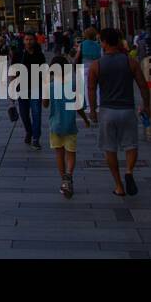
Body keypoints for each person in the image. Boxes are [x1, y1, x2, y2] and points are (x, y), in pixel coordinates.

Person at [87, 28, 151, 198]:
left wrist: (93, 111)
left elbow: (92, 90)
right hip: (127, 110)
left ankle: (118, 185)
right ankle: (129, 171)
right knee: (131, 145)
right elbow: (143, 85)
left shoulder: (96, 65)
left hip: (108, 111)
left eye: (101, 41)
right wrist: (147, 105)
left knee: (110, 149)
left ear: (105, 43)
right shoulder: (130, 62)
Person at [43, 54, 90, 199]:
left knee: (59, 153)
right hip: (70, 125)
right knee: (71, 153)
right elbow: (78, 106)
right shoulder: (73, 85)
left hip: (55, 126)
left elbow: (45, 105)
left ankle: (64, 181)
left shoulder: (49, 86)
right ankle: (69, 174)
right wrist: (85, 119)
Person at [14, 32, 47, 149]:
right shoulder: (18, 55)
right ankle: (29, 131)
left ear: (35, 41)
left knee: (36, 113)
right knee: (24, 114)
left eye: (31, 39)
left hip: (36, 88)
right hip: (21, 88)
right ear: (23, 41)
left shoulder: (39, 55)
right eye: (26, 40)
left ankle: (36, 138)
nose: (28, 42)